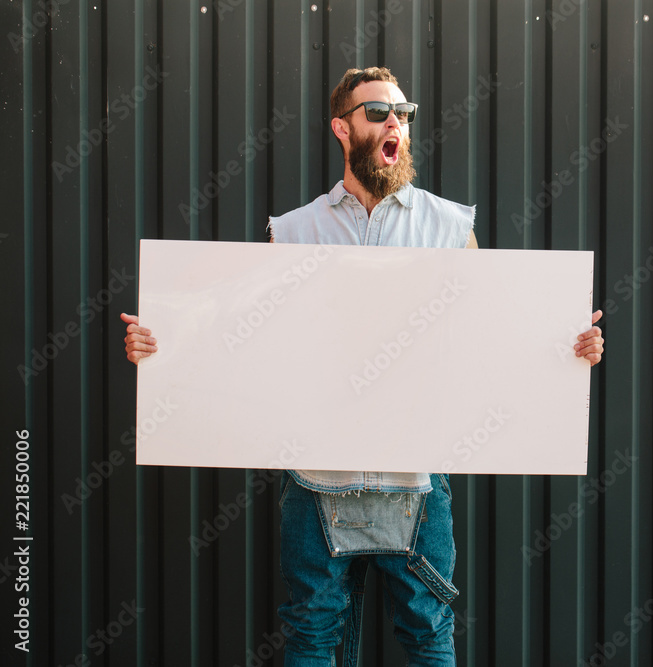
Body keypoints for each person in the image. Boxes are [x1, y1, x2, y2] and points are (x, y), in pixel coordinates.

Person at [120, 66, 604, 666]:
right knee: (311, 638)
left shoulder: (452, 227)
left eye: (404, 112)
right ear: (342, 130)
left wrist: (568, 348)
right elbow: (242, 338)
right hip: (317, 482)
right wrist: (159, 346)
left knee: (428, 637)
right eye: (377, 113)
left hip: (415, 484)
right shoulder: (295, 232)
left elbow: (491, 335)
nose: (394, 122)